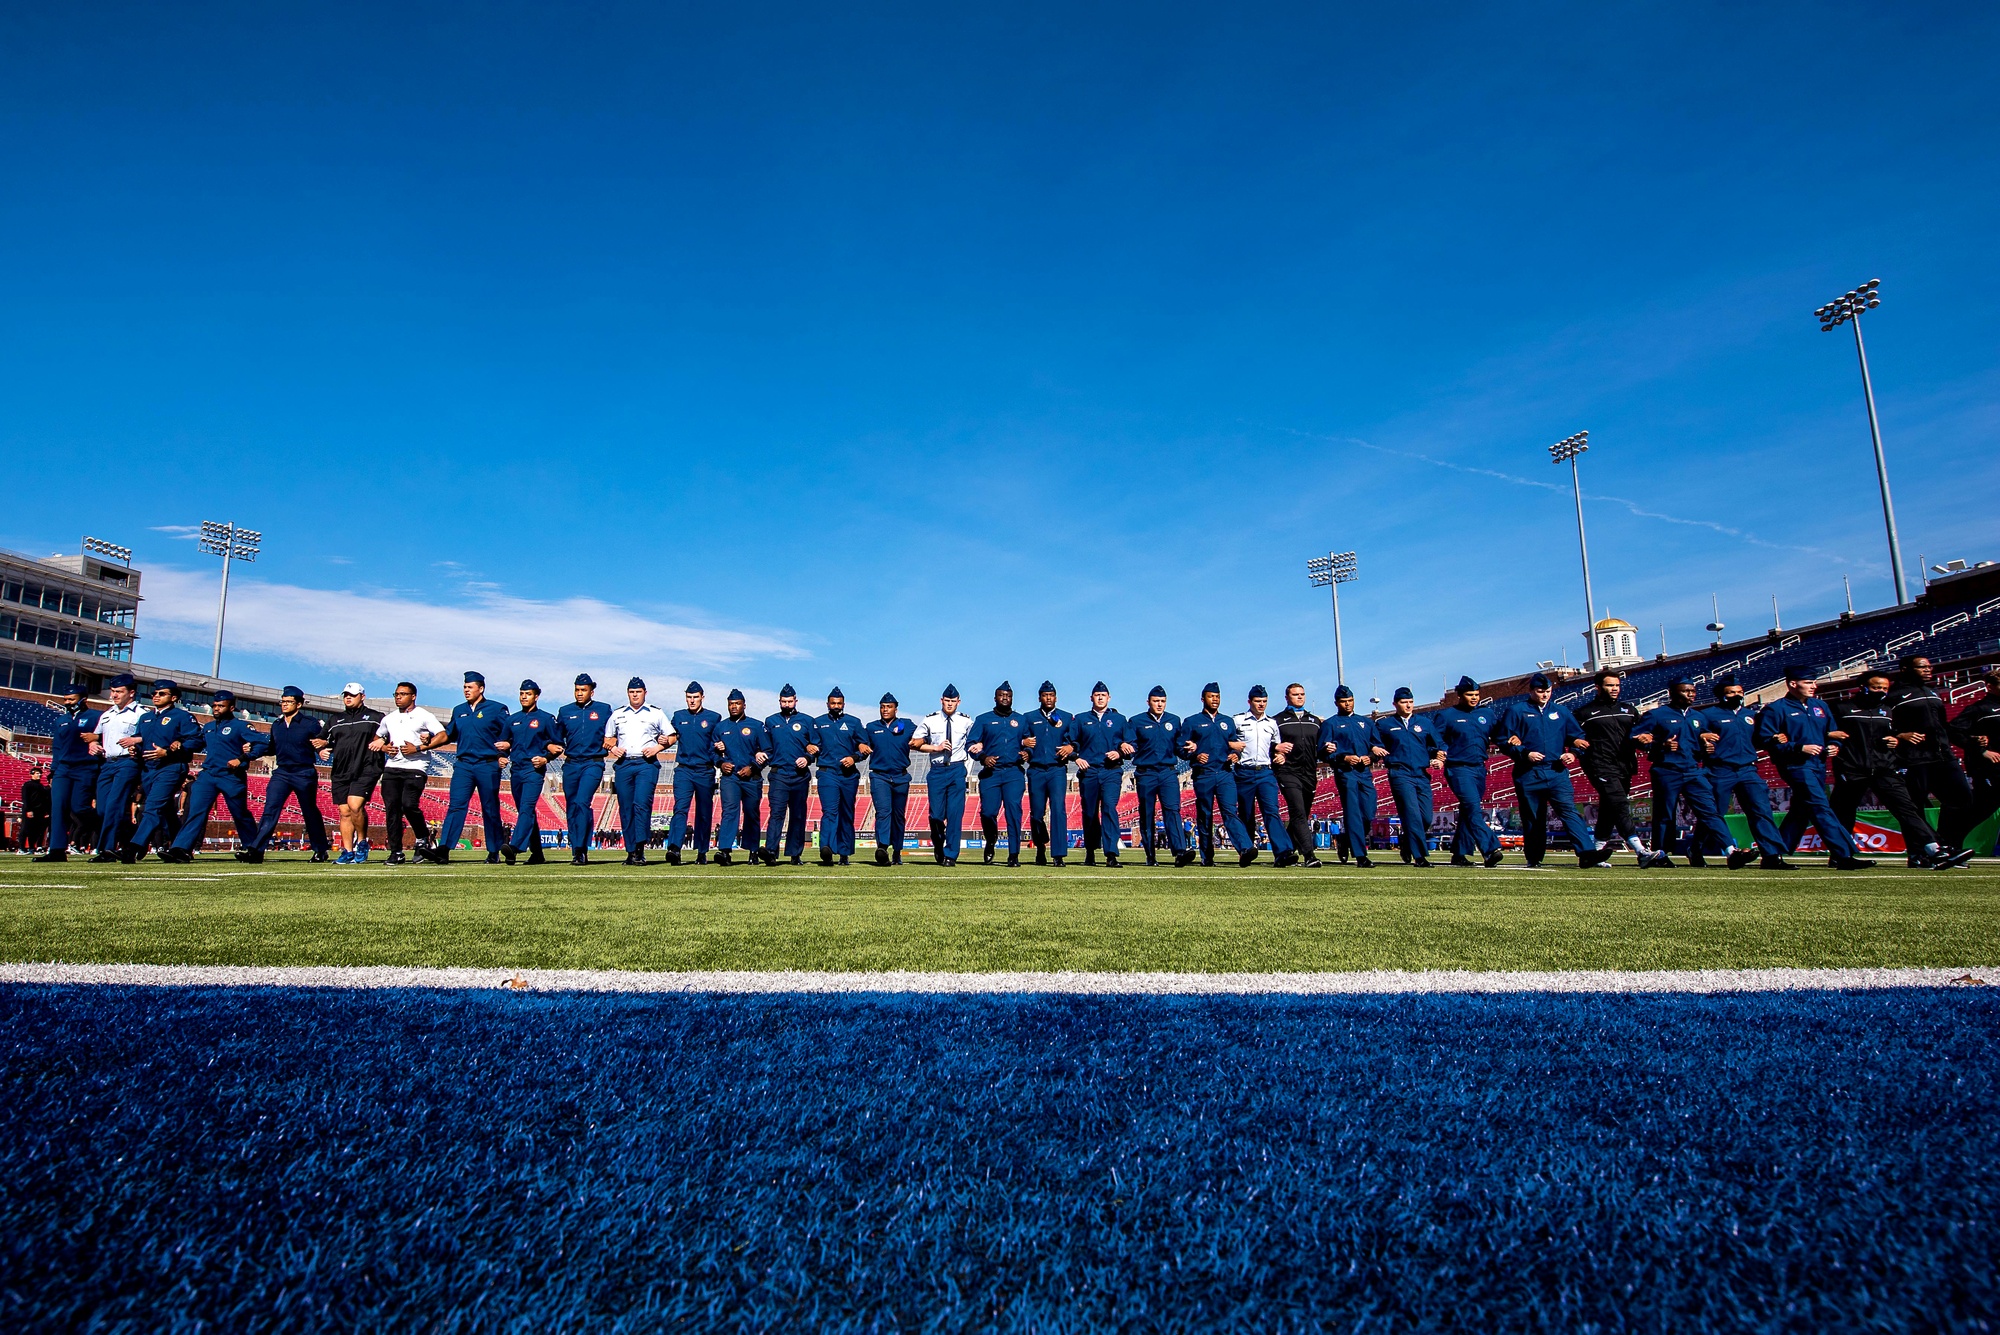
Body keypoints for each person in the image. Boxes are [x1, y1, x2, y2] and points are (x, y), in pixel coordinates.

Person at [1830, 668, 1957, 869]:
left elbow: (1896, 732)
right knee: (1843, 812)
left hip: (1884, 767)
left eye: (1884, 688)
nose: (1880, 691)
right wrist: (1830, 736)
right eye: (1876, 687)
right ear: (1862, 687)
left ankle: (1933, 849)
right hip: (1852, 768)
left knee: (1906, 808)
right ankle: (1841, 855)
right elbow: (1823, 730)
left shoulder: (1888, 710)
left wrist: (1896, 739)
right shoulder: (1841, 708)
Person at [1755, 666, 1873, 870]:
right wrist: (1798, 747)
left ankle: (1772, 854)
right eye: (1808, 683)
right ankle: (1843, 855)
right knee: (1820, 805)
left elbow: (1832, 733)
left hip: (1818, 764)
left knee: (1802, 809)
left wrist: (1834, 745)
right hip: (1795, 765)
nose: (1814, 686)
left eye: (1814, 682)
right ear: (1793, 684)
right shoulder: (1775, 709)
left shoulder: (1821, 706)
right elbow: (1764, 740)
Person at [1489, 672, 1612, 868]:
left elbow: (1577, 737)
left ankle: (1586, 853)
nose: (1545, 695)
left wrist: (1573, 753)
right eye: (1540, 691)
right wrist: (1524, 753)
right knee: (1533, 817)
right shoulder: (1517, 711)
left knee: (1569, 811)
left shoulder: (1561, 711)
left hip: (1556, 771)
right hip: (1528, 773)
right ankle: (1534, 857)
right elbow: (1503, 739)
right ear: (1531, 691)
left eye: (1548, 691)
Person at [1631, 676, 1733, 865]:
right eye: (1685, 691)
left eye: (1692, 691)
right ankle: (1660, 854)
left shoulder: (1699, 717)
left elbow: (1701, 741)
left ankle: (1731, 851)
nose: (1690, 694)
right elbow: (1635, 738)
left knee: (1710, 810)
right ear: (1672, 693)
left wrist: (1706, 747)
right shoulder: (1656, 715)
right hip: (1667, 770)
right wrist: (1659, 744)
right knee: (1665, 815)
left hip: (1693, 770)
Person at [1693, 675, 1791, 870]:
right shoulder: (1708, 715)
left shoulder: (1751, 716)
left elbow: (1759, 740)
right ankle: (1696, 848)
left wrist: (1773, 739)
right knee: (1715, 813)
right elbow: (1695, 736)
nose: (1736, 695)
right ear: (1721, 695)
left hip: (1748, 769)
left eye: (1739, 692)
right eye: (1731, 693)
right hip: (1719, 769)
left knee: (1761, 811)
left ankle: (1772, 855)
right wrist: (1702, 738)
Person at [1887, 656, 1979, 861]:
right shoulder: (1892, 696)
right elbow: (1880, 725)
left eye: (1929, 667)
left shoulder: (1932, 692)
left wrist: (1969, 740)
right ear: (1905, 669)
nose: (1928, 670)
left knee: (1963, 799)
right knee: (1915, 807)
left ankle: (1947, 847)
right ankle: (1918, 854)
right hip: (1913, 759)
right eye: (1922, 667)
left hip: (1943, 756)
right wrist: (1899, 735)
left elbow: (1942, 725)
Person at [163, 690, 267, 862]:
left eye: (221, 706)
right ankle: (181, 849)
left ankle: (253, 849)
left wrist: (242, 758)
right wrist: (181, 743)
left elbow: (262, 743)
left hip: (231, 776)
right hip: (208, 775)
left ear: (231, 708)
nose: (216, 708)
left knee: (240, 814)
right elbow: (197, 742)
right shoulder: (209, 727)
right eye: (214, 705)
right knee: (195, 811)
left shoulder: (241, 726)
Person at [421, 671, 512, 864]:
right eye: (464, 687)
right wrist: (430, 739)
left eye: (470, 687)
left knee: (490, 807)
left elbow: (509, 733)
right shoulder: (459, 710)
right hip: (463, 765)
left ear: (481, 688)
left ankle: (494, 851)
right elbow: (449, 734)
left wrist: (504, 753)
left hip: (487, 764)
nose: (466, 690)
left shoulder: (497, 709)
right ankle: (444, 850)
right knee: (456, 806)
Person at [1573, 669, 1655, 866]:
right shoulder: (1584, 713)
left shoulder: (1629, 710)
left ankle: (1594, 853)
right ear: (1598, 687)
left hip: (1625, 765)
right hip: (1599, 765)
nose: (1615, 689)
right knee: (1619, 804)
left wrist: (1647, 738)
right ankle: (1641, 851)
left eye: (1617, 685)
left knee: (1609, 808)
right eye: (1610, 685)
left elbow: (1640, 735)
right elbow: (1571, 735)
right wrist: (1574, 743)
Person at [244, 686, 331, 864]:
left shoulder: (310, 723)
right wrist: (252, 750)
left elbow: (321, 741)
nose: (284, 705)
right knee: (270, 810)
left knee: (309, 812)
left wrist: (322, 749)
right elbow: (272, 748)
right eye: (282, 702)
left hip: (304, 772)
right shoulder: (277, 725)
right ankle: (256, 850)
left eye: (289, 702)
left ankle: (320, 850)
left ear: (299, 704)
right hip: (282, 772)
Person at [1434, 676, 1503, 868]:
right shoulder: (1447, 715)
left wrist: (1512, 738)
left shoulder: (1487, 714)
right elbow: (1434, 738)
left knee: (1467, 811)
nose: (1474, 698)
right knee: (1472, 807)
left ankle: (1460, 852)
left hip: (1479, 768)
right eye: (1469, 694)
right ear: (1459, 695)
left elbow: (1499, 734)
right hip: (1458, 768)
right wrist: (1438, 752)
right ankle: (1490, 849)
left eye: (1476, 694)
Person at [371, 681, 443, 865]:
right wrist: (385, 747)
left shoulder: (424, 715)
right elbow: (377, 738)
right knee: (392, 809)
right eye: (396, 694)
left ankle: (422, 837)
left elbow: (442, 735)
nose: (398, 697)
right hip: (392, 767)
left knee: (408, 804)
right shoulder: (389, 718)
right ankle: (396, 852)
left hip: (416, 766)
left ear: (413, 696)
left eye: (403, 694)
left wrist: (418, 748)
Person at [1182, 682, 1253, 866]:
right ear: (1203, 699)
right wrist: (1195, 755)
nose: (1215, 699)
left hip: (1224, 773)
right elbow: (1180, 748)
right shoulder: (1192, 721)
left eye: (1217, 696)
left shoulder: (1227, 721)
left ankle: (1245, 849)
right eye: (1211, 696)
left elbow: (1234, 744)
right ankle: (1207, 857)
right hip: (1203, 774)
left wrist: (1235, 754)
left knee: (1230, 811)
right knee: (1205, 815)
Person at [1369, 687, 1442, 866]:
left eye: (1410, 702)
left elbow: (1438, 745)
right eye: (1403, 702)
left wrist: (1439, 757)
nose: (1408, 705)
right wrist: (1374, 748)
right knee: (1412, 814)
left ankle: (1407, 842)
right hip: (1400, 773)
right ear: (1395, 704)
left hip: (1421, 774)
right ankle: (1420, 857)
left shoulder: (1424, 723)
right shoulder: (1385, 724)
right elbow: (1372, 741)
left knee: (1426, 818)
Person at [129, 679, 202, 854]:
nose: (156, 696)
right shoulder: (145, 718)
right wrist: (135, 748)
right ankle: (181, 846)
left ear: (173, 697)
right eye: (154, 693)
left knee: (152, 807)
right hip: (148, 769)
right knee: (166, 810)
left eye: (162, 694)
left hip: (171, 766)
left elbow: (197, 740)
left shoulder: (182, 716)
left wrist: (173, 749)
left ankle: (135, 846)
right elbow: (140, 739)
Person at [604, 677, 671, 865]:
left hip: (646, 763)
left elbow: (671, 736)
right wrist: (613, 748)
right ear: (628, 693)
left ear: (645, 693)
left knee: (641, 804)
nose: (635, 695)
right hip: (624, 763)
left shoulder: (656, 713)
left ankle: (640, 849)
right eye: (632, 692)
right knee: (626, 808)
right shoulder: (618, 714)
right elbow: (607, 738)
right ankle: (630, 851)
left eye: (638, 692)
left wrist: (658, 748)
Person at [1127, 687, 1193, 866]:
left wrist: (1189, 750)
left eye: (1162, 701)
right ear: (1148, 702)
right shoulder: (1136, 721)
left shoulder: (1174, 720)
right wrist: (1127, 748)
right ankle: (1150, 855)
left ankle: (1179, 852)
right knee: (1147, 813)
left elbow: (1179, 748)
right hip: (1146, 773)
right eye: (1156, 701)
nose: (1159, 704)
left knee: (1172, 810)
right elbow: (1132, 746)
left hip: (1167, 772)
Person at [1233, 685, 1297, 867]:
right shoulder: (1238, 720)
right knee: (1246, 814)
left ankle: (1283, 852)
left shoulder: (1271, 723)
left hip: (1265, 772)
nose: (1261, 704)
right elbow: (1228, 741)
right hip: (1244, 771)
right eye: (1257, 701)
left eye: (1264, 701)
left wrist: (1280, 755)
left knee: (1271, 811)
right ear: (1249, 702)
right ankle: (1246, 851)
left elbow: (1276, 747)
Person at [36, 681, 101, 861]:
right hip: (63, 769)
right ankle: (56, 850)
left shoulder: (97, 717)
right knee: (58, 807)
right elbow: (57, 747)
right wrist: (53, 770)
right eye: (65, 699)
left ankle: (103, 826)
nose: (67, 703)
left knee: (79, 807)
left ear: (83, 699)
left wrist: (96, 739)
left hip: (86, 767)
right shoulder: (61, 720)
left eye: (71, 699)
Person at [86, 673, 145, 862]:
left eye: (119, 691)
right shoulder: (107, 714)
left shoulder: (141, 714)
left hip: (127, 762)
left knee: (113, 805)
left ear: (131, 693)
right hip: (107, 763)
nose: (114, 695)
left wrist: (136, 740)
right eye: (112, 691)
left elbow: (150, 736)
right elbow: (96, 736)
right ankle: (134, 837)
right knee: (102, 809)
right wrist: (93, 744)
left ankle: (107, 849)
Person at [1071, 682, 1131, 867]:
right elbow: (1070, 743)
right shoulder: (1080, 719)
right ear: (1091, 698)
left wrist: (1120, 752)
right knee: (1089, 812)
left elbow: (1131, 744)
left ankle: (1111, 854)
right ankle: (1090, 851)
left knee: (1109, 808)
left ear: (1109, 698)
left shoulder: (1119, 719)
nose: (1100, 698)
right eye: (1097, 695)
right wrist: (1076, 758)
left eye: (1103, 695)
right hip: (1089, 772)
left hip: (1110, 771)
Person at [501, 679, 561, 866]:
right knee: (525, 812)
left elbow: (558, 745)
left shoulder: (546, 719)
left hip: (534, 770)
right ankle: (537, 854)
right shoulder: (511, 720)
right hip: (516, 770)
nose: (524, 697)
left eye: (528, 694)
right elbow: (504, 743)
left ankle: (515, 847)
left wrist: (546, 758)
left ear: (536, 696)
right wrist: (501, 756)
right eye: (521, 694)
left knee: (526, 808)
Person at [324, 682, 386, 864]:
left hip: (366, 767)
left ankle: (362, 842)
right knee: (344, 811)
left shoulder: (376, 717)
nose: (348, 698)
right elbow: (322, 739)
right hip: (340, 770)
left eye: (352, 695)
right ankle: (348, 851)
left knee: (354, 805)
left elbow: (389, 734)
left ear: (362, 697)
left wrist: (382, 740)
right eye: (345, 695)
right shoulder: (335, 719)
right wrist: (321, 749)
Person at [555, 674, 611, 865]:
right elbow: (556, 737)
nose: (579, 693)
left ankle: (581, 849)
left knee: (581, 802)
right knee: (572, 806)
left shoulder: (604, 710)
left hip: (593, 763)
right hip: (571, 764)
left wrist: (612, 741)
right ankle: (576, 849)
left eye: (583, 690)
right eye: (577, 690)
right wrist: (553, 746)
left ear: (591, 692)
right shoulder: (565, 711)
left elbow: (613, 732)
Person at [1318, 686, 1377, 867]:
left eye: (1350, 700)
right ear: (1336, 703)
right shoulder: (1330, 724)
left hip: (1364, 772)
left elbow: (1377, 746)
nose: (1347, 704)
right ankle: (1360, 855)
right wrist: (1343, 757)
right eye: (1343, 701)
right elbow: (1322, 753)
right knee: (1352, 812)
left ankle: (1345, 839)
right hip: (1345, 772)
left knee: (1369, 813)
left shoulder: (1365, 722)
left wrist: (1371, 757)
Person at [665, 681, 721, 865]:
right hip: (684, 770)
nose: (692, 700)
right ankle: (674, 848)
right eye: (689, 697)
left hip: (705, 770)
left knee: (704, 812)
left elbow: (719, 740)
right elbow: (671, 736)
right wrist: (663, 739)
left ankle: (702, 852)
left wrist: (721, 747)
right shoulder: (678, 716)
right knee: (680, 808)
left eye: (695, 697)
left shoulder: (714, 718)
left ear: (702, 697)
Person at [914, 685, 970, 866]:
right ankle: (938, 843)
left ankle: (951, 855)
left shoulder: (966, 721)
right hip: (937, 770)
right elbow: (914, 743)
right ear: (941, 701)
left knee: (955, 815)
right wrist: (935, 748)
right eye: (947, 701)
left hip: (957, 769)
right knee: (936, 816)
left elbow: (975, 742)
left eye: (953, 701)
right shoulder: (930, 720)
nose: (950, 704)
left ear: (959, 702)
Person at [712, 689, 769, 866]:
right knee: (729, 811)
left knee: (751, 813)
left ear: (744, 705)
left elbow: (768, 751)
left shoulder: (756, 726)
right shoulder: (720, 727)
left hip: (752, 778)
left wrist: (753, 767)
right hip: (730, 778)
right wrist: (721, 763)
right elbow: (711, 752)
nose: (734, 707)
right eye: (731, 704)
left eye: (737, 704)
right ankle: (725, 851)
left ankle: (753, 851)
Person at [761, 685, 816, 865]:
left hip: (799, 776)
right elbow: (766, 747)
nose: (786, 704)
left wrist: (807, 758)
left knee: (798, 815)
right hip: (779, 775)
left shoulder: (807, 721)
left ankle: (795, 854)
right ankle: (771, 852)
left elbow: (816, 746)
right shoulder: (770, 721)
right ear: (779, 701)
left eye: (790, 701)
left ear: (795, 701)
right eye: (784, 701)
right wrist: (760, 753)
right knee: (776, 813)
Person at [1022, 681, 1075, 866]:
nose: (1048, 698)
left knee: (1058, 810)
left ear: (1056, 698)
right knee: (1037, 813)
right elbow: (1022, 738)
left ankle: (1058, 854)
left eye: (1051, 695)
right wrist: (1024, 745)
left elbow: (1075, 740)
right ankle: (1040, 847)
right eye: (1045, 695)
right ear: (1040, 698)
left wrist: (1071, 747)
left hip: (1057, 770)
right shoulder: (1029, 717)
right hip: (1036, 770)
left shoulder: (1066, 717)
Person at [812, 688, 866, 866]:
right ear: (827, 704)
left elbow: (864, 748)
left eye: (839, 703)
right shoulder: (818, 723)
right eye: (833, 703)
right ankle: (826, 848)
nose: (836, 706)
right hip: (827, 773)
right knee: (829, 811)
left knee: (846, 813)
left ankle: (844, 853)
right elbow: (811, 744)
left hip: (848, 776)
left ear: (844, 704)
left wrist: (854, 757)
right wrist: (809, 747)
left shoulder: (854, 722)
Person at [1950, 668, 2000, 854]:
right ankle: (1951, 842)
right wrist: (1981, 750)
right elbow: (1953, 731)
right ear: (1990, 686)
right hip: (1990, 769)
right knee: (1982, 808)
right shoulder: (1979, 709)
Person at [1272, 684, 1323, 867]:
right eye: (1295, 694)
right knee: (1298, 812)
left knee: (1302, 814)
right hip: (1288, 771)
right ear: (1287, 697)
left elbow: (1320, 748)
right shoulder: (1277, 720)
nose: (1299, 697)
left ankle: (1286, 852)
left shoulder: (1314, 721)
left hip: (1309, 773)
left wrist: (1328, 748)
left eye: (1302, 694)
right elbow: (1267, 744)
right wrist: (1275, 751)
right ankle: (1309, 855)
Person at [864, 693, 917, 865]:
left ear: (896, 709)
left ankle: (897, 851)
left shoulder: (907, 725)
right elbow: (860, 743)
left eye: (889, 707)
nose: (885, 710)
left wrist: (920, 741)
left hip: (901, 777)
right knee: (883, 812)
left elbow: (922, 735)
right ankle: (882, 848)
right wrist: (861, 746)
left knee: (898, 816)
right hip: (880, 776)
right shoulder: (871, 727)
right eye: (882, 707)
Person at [19, 765, 49, 853]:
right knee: (25, 829)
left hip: (39, 811)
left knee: (35, 830)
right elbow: (25, 798)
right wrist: (28, 810)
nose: (39, 775)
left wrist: (45, 811)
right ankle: (21, 848)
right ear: (31, 774)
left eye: (40, 773)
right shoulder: (28, 785)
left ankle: (32, 847)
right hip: (30, 810)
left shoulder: (41, 786)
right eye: (37, 773)